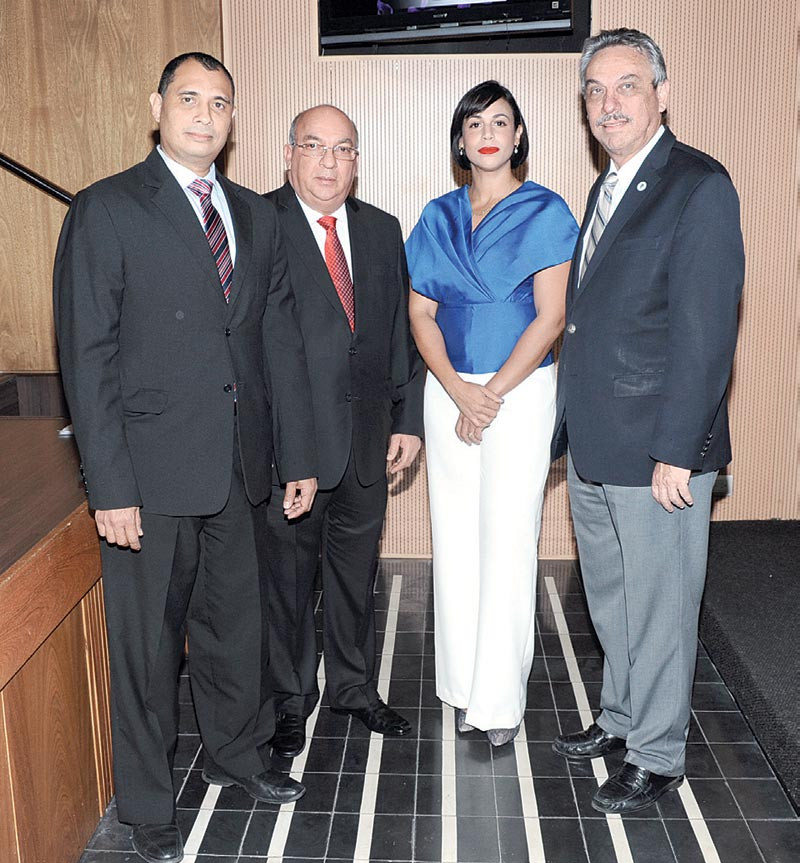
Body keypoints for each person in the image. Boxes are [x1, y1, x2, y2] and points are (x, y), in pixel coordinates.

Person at [53, 53, 318, 863]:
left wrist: (295, 455)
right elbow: (85, 357)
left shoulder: (257, 215)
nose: (205, 115)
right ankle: (146, 804)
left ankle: (236, 758)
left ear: (235, 119)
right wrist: (110, 485)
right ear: (157, 106)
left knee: (235, 631)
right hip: (150, 478)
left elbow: (277, 340)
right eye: (189, 99)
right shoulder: (107, 209)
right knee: (147, 649)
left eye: (221, 104)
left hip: (240, 471)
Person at [550, 28, 744, 814]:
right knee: (614, 597)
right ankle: (622, 718)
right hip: (598, 442)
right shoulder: (611, 184)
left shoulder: (698, 185)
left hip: (660, 451)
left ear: (661, 94)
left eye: (626, 85)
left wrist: (679, 452)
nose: (608, 103)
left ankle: (658, 754)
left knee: (662, 605)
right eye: (595, 90)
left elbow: (705, 337)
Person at [406, 81, 578, 746]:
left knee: (509, 539)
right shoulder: (436, 215)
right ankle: (463, 683)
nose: (487, 132)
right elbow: (420, 313)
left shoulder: (546, 211)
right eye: (475, 122)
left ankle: (499, 702)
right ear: (459, 139)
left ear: (517, 137)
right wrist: (456, 388)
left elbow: (552, 315)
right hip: (447, 392)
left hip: (521, 392)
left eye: (500, 121)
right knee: (453, 536)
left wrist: (493, 393)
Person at [262, 105, 424, 758]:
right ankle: (290, 701)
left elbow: (398, 336)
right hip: (288, 451)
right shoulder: (258, 222)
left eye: (344, 149)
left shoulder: (383, 231)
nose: (330, 162)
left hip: (365, 445)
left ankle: (353, 687)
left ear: (358, 159)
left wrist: (407, 421)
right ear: (288, 152)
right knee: (288, 587)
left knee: (356, 580)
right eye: (315, 146)